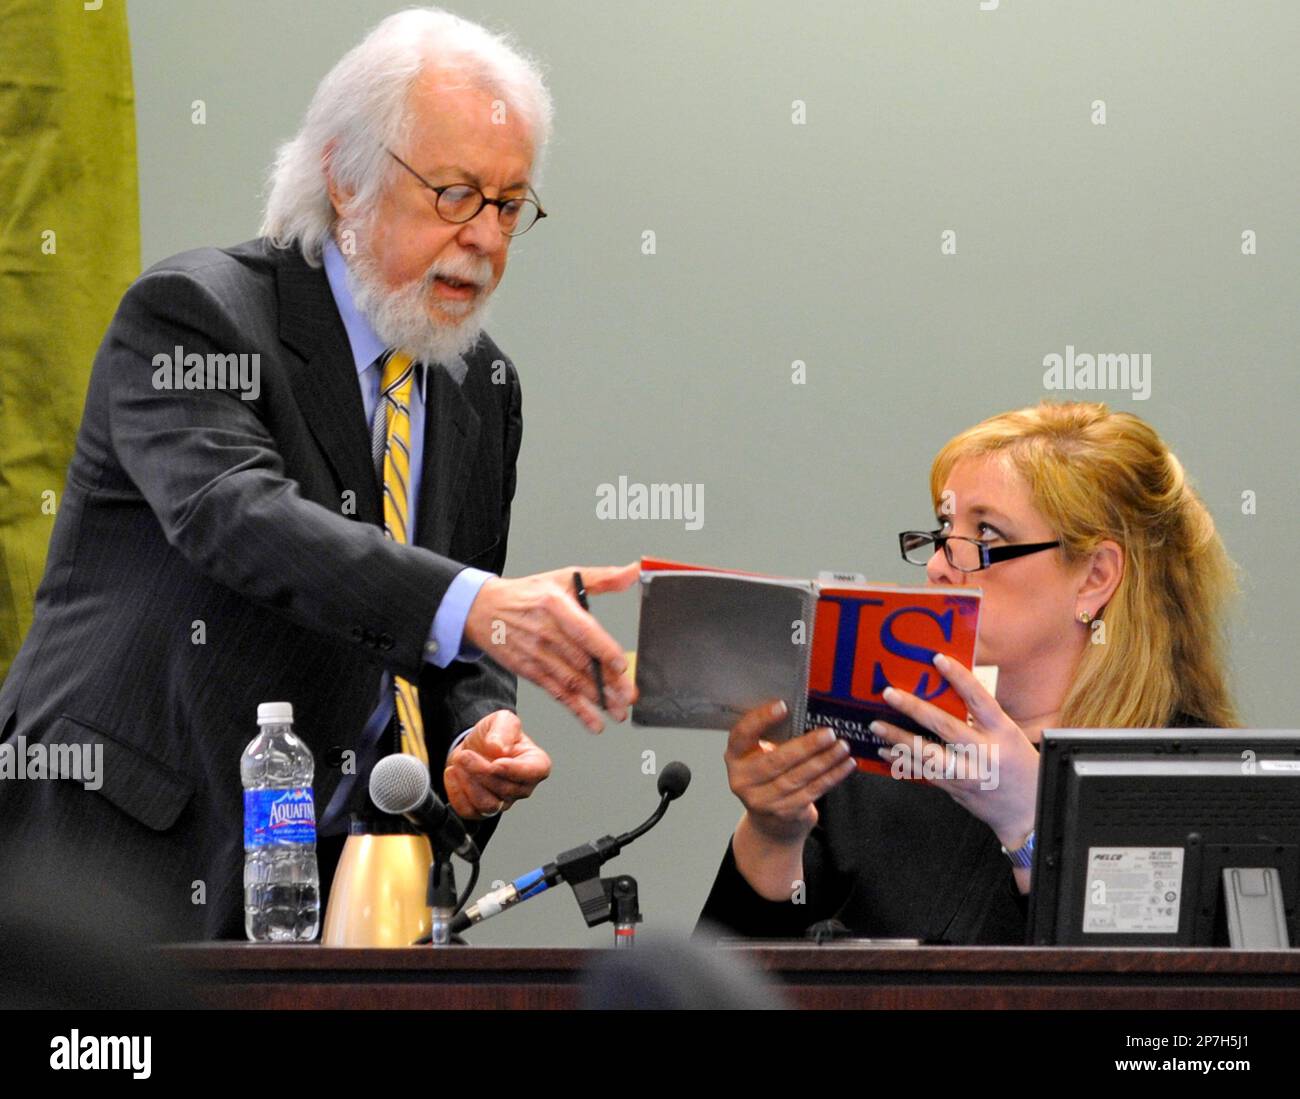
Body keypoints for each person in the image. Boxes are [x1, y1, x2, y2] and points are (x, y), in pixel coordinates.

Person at [0, 7, 637, 940]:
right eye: (455, 194)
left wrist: (472, 734)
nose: (488, 240)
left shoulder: (480, 384)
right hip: (114, 853)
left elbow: (443, 627)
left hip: (322, 889)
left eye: (509, 205)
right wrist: (481, 607)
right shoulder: (195, 317)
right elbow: (239, 516)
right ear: (345, 178)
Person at [697, 400, 1238, 944]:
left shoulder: (1205, 784)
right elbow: (721, 992)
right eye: (942, 529)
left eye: (984, 539)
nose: (937, 565)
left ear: (1095, 576)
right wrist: (771, 836)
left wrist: (1033, 831)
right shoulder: (884, 752)